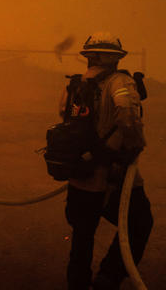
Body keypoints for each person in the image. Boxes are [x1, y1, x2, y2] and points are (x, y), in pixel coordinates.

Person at [61, 32, 153, 290]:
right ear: (115, 58)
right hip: (116, 178)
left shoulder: (74, 85)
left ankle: (77, 285)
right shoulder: (121, 82)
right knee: (140, 223)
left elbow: (64, 119)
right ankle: (108, 278)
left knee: (82, 237)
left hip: (80, 176)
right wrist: (134, 146)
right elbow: (128, 116)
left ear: (89, 57)